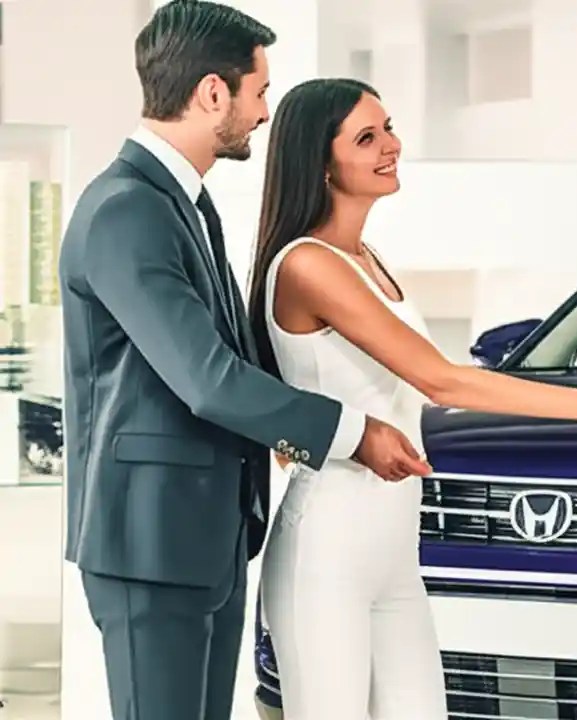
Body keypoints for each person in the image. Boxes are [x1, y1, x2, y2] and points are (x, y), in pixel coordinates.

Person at [246, 77, 577, 718]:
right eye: (366, 138)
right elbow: (442, 381)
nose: (391, 145)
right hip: (328, 550)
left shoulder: (367, 259)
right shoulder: (307, 265)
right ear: (320, 162)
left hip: (394, 551)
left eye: (389, 127)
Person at [56, 3, 434, 718]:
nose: (263, 113)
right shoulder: (126, 209)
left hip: (206, 536)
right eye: (258, 92)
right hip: (150, 542)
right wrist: (353, 433)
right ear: (211, 94)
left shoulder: (185, 207)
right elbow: (207, 379)